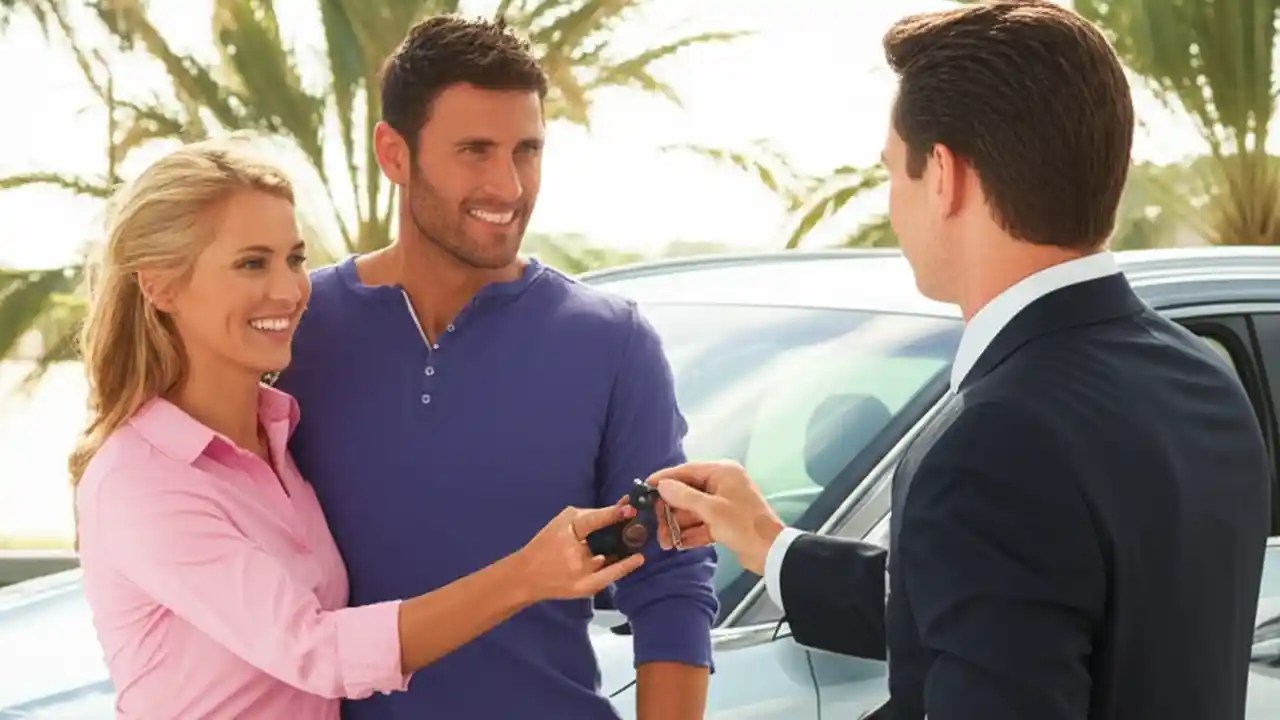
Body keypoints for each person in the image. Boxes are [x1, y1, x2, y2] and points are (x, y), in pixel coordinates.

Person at [647, 3, 1272, 720]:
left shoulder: (996, 441)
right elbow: (1008, 602)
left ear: (943, 175)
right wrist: (770, 545)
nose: (894, 203)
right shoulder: (1202, 380)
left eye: (893, 172)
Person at [70, 138, 648, 720]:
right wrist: (526, 575)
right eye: (252, 263)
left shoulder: (280, 440)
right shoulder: (141, 481)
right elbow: (316, 652)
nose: (290, 290)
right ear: (160, 286)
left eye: (294, 259)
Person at [270, 14, 718, 720]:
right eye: (474, 150)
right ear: (394, 153)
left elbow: (668, 582)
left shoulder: (612, 344)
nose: (508, 185)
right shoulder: (296, 330)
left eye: (527, 150)